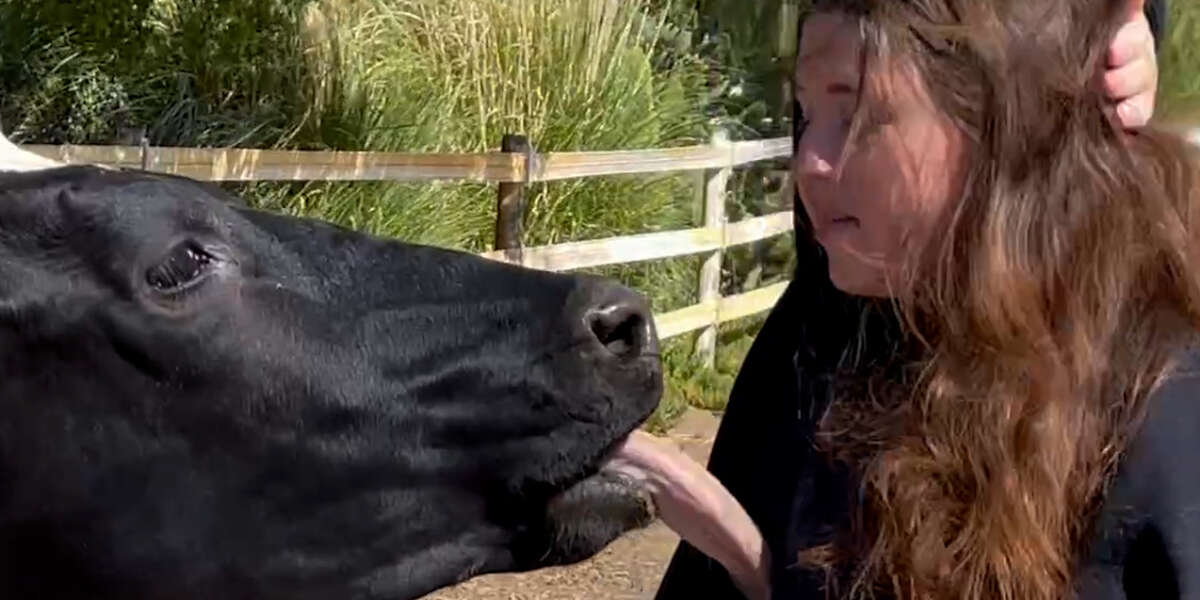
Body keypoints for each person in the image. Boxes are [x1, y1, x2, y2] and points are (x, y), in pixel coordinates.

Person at [609, 0, 1197, 598]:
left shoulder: (1155, 417)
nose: (807, 161)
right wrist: (743, 553)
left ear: (1002, 126)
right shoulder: (810, 354)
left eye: (858, 115)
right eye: (807, 114)